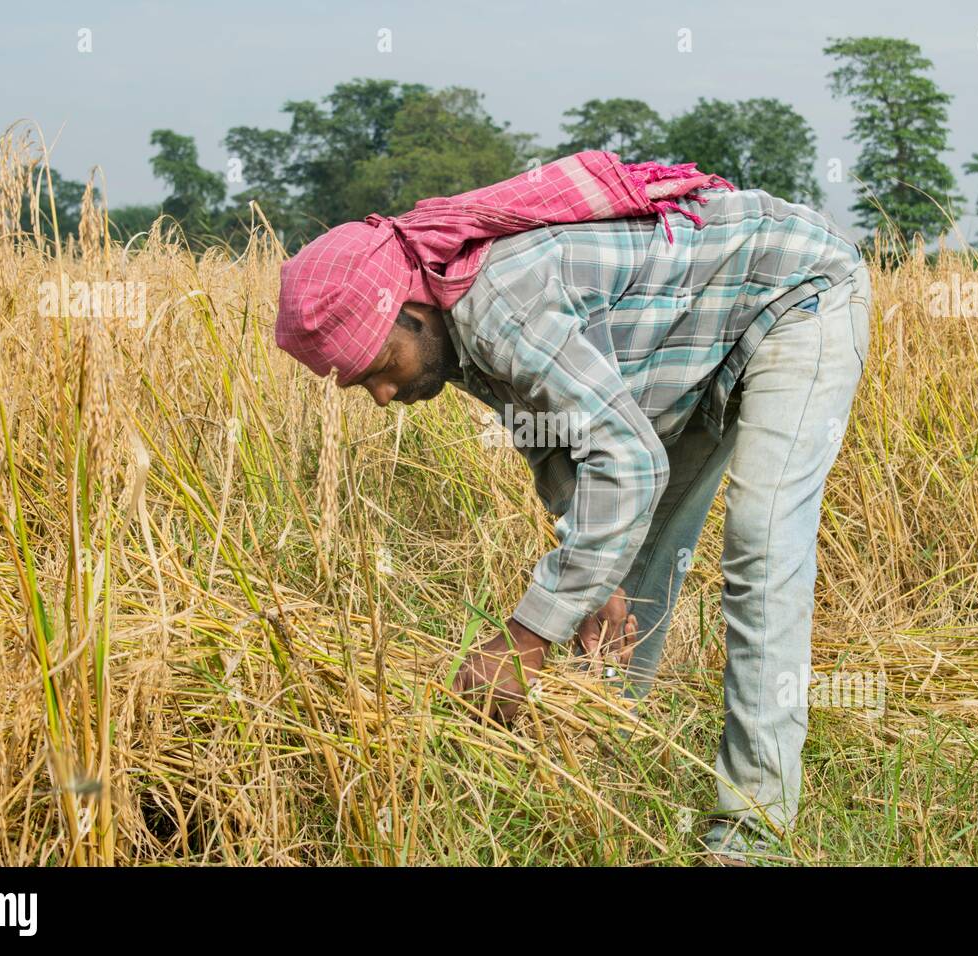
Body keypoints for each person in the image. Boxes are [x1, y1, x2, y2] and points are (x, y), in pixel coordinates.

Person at [275, 152, 870, 862]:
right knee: (624, 577)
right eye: (360, 385)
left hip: (797, 293)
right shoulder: (449, 332)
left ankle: (752, 834)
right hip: (696, 343)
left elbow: (628, 461)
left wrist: (525, 639)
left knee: (761, 547)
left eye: (381, 369)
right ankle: (617, 792)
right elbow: (555, 438)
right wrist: (597, 578)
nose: (380, 395)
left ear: (410, 310)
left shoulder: (498, 304)